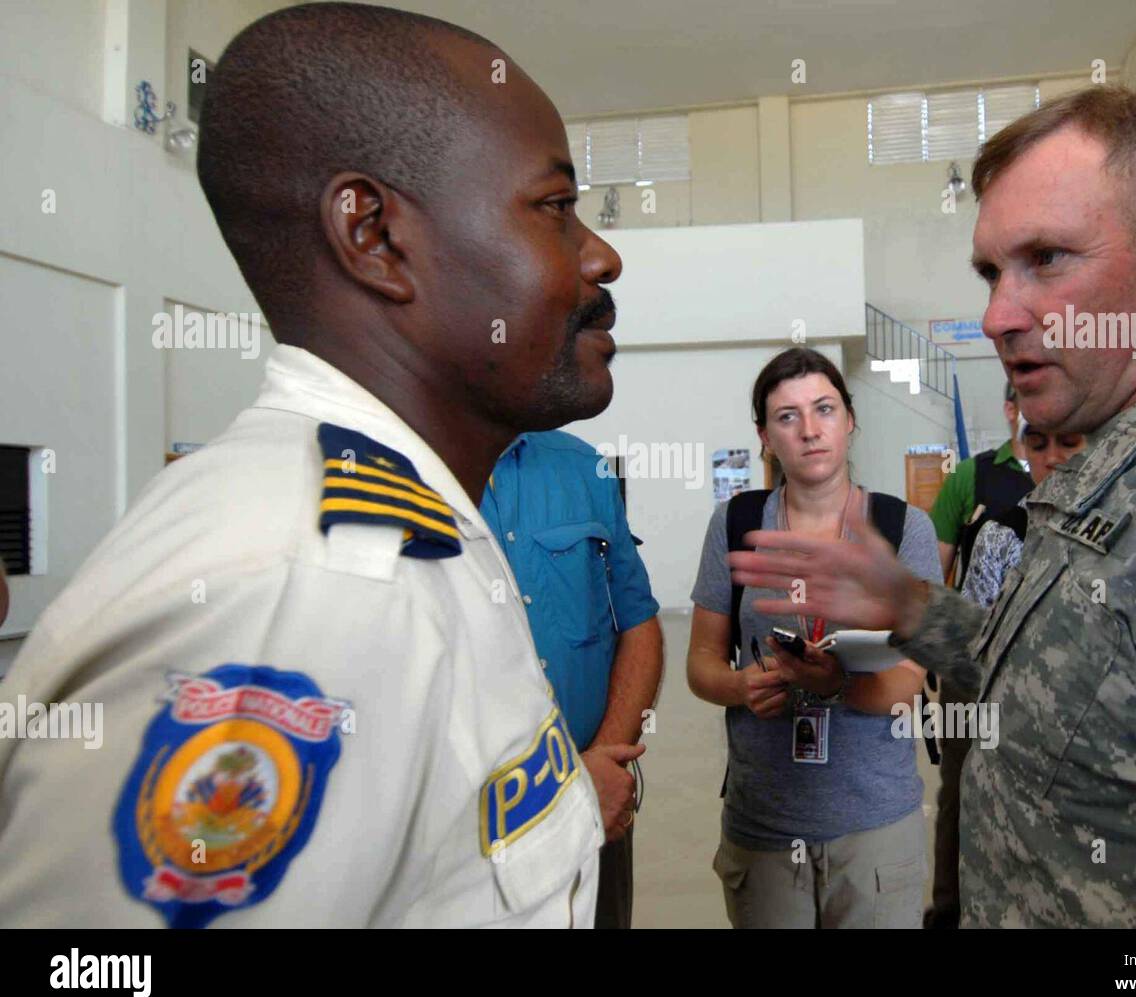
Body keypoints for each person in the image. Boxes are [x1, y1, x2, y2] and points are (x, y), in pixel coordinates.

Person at [0, 3, 622, 928]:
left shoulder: (409, 529)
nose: (601, 256)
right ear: (372, 235)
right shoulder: (310, 594)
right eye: (556, 208)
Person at [730, 86, 1136, 927]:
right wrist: (908, 606)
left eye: (1049, 259)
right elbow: (1040, 684)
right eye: (993, 271)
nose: (998, 315)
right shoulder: (1113, 449)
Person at [687, 347, 942, 929]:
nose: (809, 430)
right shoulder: (735, 524)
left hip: (875, 824)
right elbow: (701, 662)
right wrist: (739, 686)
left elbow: (909, 682)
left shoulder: (904, 528)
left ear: (850, 419)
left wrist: (836, 686)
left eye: (824, 409)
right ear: (764, 435)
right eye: (787, 416)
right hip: (765, 824)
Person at [480, 430, 664, 928]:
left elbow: (639, 624)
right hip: (474, 828)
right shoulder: (411, 466)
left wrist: (592, 773)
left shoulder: (582, 466)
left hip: (597, 803)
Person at [924, 383, 1032, 928]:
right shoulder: (973, 475)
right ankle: (949, 907)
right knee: (960, 786)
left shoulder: (1094, 465)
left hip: (1043, 662)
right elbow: (936, 568)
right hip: (970, 663)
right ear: (1009, 408)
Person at [960, 420, 1087, 609]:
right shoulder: (999, 535)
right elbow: (978, 628)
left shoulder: (1128, 520)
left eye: (1068, 441)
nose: (1052, 458)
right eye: (1037, 443)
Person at [929, 382, 1032, 585]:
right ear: (1011, 410)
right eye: (1033, 396)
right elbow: (931, 576)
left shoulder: (1078, 474)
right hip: (981, 614)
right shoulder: (968, 474)